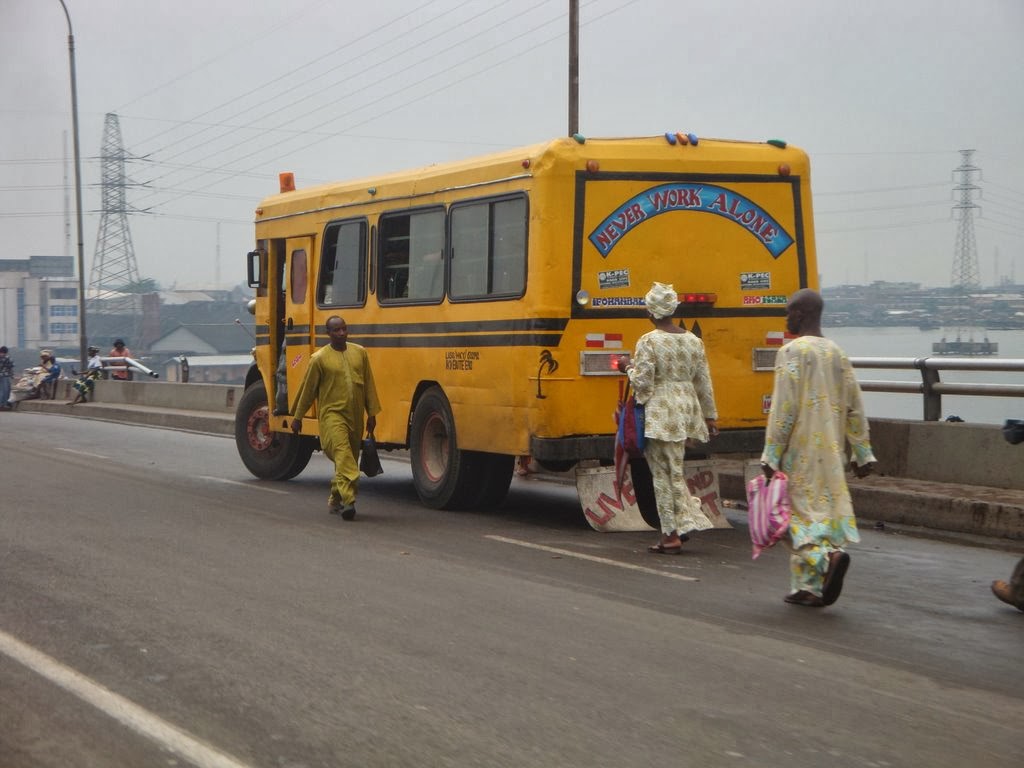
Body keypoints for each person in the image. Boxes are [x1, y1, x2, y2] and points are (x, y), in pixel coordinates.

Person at [760, 288, 876, 607]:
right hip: (832, 453)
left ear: (802, 314)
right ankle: (807, 586)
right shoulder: (837, 352)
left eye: (789, 312)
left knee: (786, 518)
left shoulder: (791, 352)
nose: (787, 318)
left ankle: (827, 560)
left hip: (799, 452)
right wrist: (862, 451)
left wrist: (771, 454)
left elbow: (783, 409)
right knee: (818, 517)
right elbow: (855, 405)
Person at [616, 281, 719, 554]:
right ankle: (682, 522)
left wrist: (628, 368)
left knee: (662, 475)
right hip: (686, 411)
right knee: (675, 470)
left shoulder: (649, 341)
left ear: (650, 313)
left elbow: (644, 385)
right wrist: (710, 417)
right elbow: (703, 382)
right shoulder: (693, 342)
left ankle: (671, 533)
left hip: (661, 413)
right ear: (673, 309)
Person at [290, 316, 381, 520]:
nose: (341, 333)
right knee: (343, 454)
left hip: (356, 415)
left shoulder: (360, 353)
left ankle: (335, 497)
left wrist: (372, 414)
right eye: (336, 330)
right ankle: (349, 501)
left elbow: (369, 385)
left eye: (344, 329)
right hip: (332, 415)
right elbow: (308, 391)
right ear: (328, 334)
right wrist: (298, 417)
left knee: (347, 455)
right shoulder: (319, 358)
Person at [0, 345, 13, 410]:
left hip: (4, 376)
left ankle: (3, 404)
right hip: (4, 376)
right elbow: (11, 366)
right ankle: (2, 405)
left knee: (4, 390)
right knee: (5, 391)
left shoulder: (6, 358)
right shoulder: (7, 358)